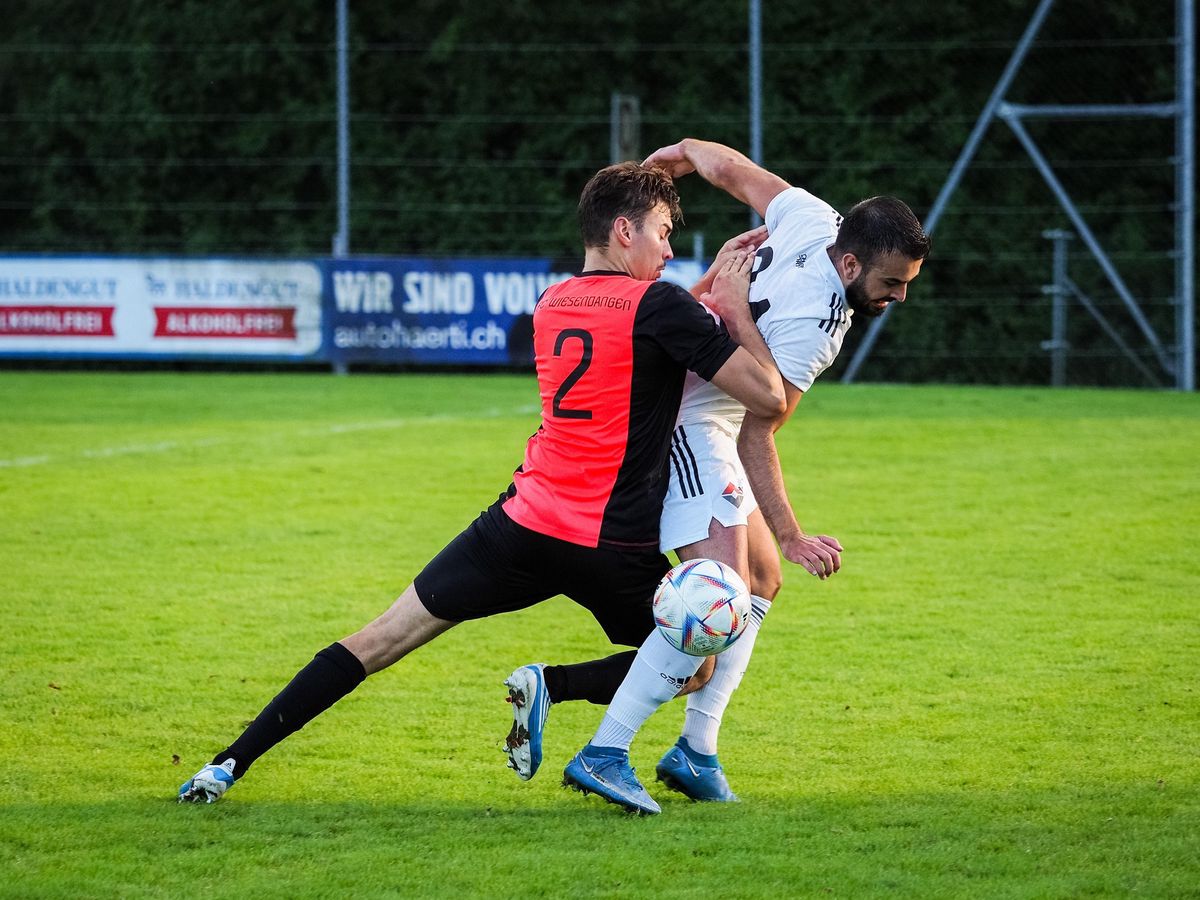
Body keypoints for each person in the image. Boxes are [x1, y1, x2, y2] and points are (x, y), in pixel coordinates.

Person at [177, 160, 786, 804]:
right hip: (608, 545)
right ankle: (551, 684)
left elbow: (637, 325)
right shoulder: (658, 306)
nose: (668, 248)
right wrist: (738, 307)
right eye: (662, 232)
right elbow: (766, 396)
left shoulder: (552, 301)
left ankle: (224, 766)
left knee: (381, 638)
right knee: (697, 662)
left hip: (522, 524)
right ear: (623, 231)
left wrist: (709, 278)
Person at [504, 139, 930, 814]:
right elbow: (764, 420)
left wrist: (669, 159)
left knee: (759, 584)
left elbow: (726, 168)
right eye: (890, 283)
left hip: (706, 427)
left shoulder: (813, 216)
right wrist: (789, 529)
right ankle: (606, 751)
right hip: (689, 434)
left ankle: (695, 751)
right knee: (713, 607)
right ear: (849, 261)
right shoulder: (820, 325)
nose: (899, 296)